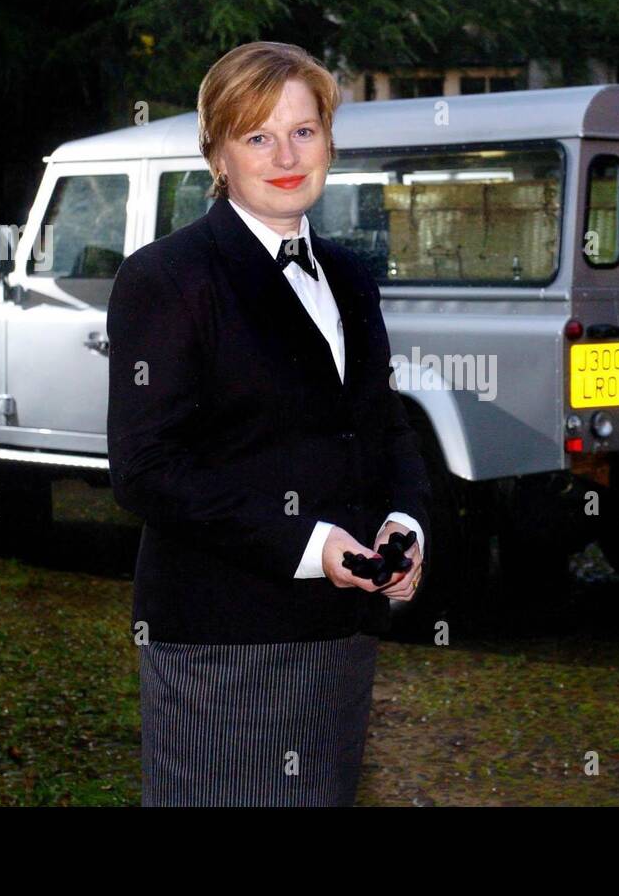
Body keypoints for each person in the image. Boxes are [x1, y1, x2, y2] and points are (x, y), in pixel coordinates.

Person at [106, 41, 431, 805]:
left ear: (329, 142)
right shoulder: (166, 278)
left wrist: (405, 523)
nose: (286, 155)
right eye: (258, 136)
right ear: (217, 153)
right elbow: (146, 471)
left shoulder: (350, 276)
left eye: (304, 131)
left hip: (339, 640)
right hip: (222, 650)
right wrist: (314, 546)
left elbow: (384, 429)